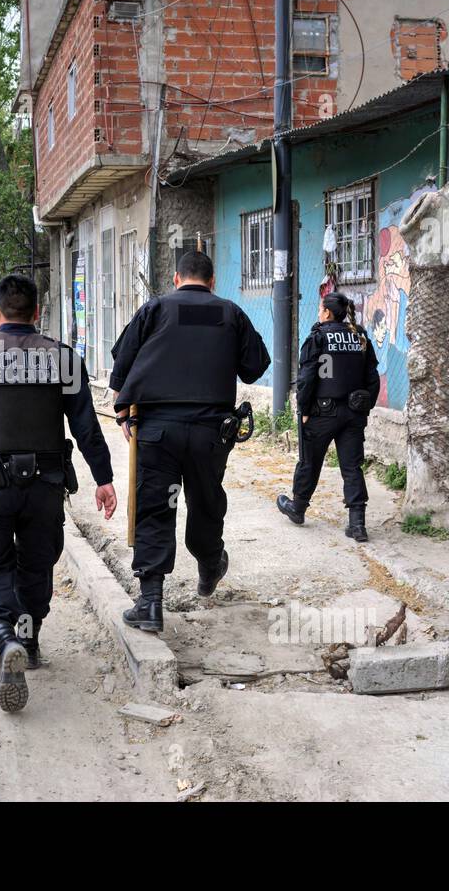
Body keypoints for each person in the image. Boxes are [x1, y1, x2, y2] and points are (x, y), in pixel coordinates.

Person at [0, 274, 117, 712]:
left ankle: (2, 639)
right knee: (36, 564)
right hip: (45, 485)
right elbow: (86, 425)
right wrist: (104, 478)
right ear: (37, 313)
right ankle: (29, 643)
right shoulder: (63, 358)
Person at [109, 250, 270, 632]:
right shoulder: (230, 312)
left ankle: (150, 603)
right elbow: (255, 367)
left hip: (158, 432)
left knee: (156, 507)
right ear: (213, 282)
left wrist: (123, 410)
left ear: (177, 279)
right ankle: (211, 562)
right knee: (205, 502)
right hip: (209, 433)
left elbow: (121, 365)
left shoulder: (155, 309)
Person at [276, 291, 381, 542]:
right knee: (352, 467)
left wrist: (303, 409)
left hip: (322, 412)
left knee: (309, 461)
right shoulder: (359, 336)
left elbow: (307, 378)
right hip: (354, 413)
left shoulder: (318, 337)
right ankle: (358, 524)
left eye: (319, 308)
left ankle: (298, 508)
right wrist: (366, 405)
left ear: (326, 312)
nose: (318, 312)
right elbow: (373, 377)